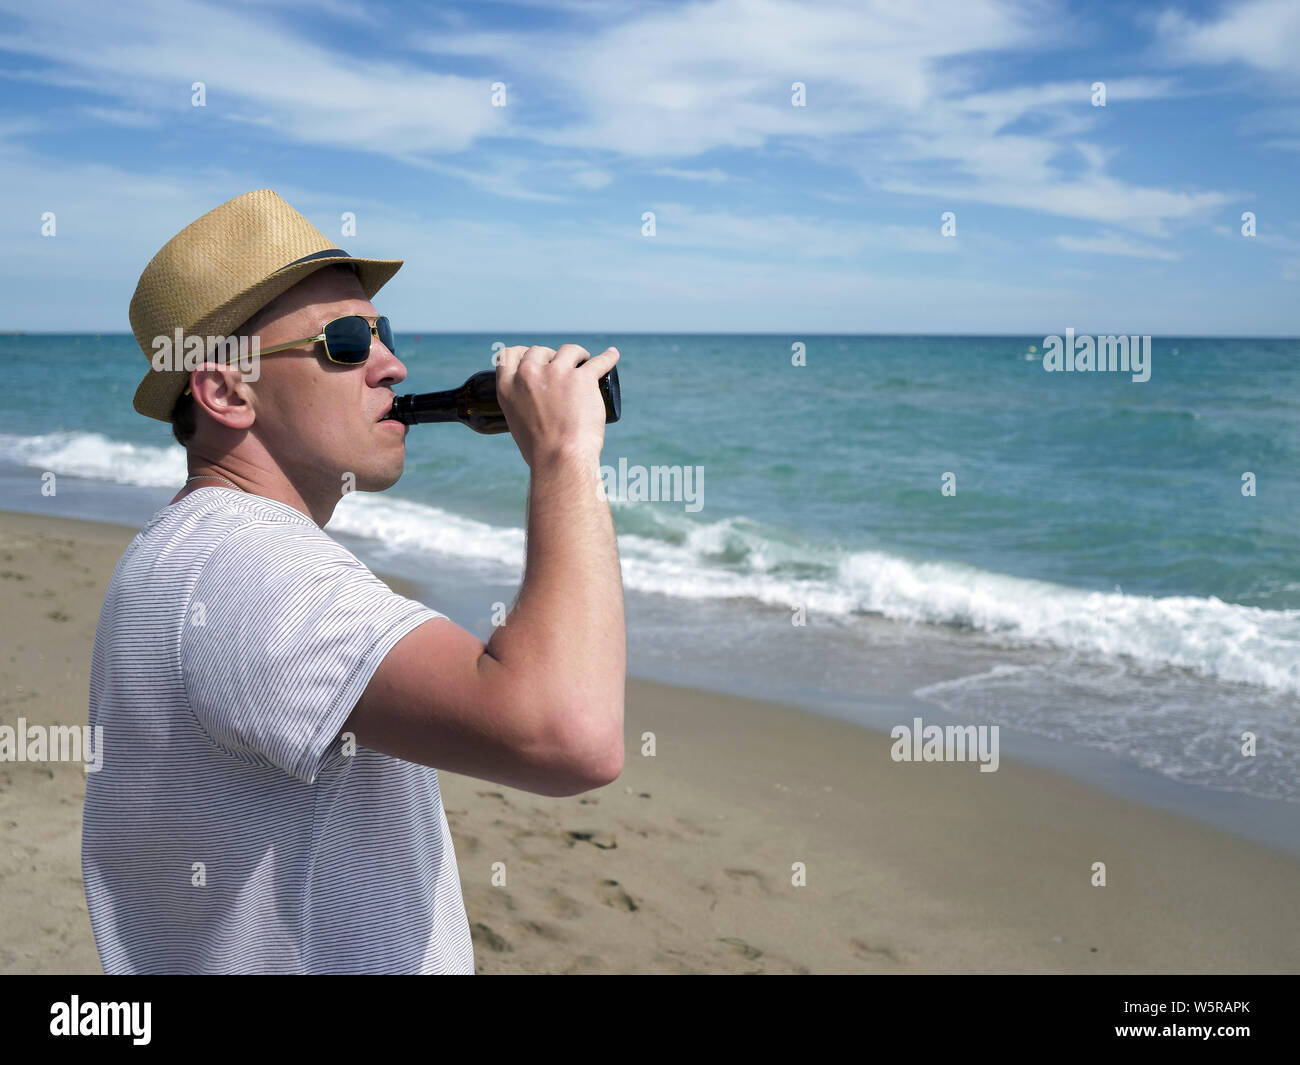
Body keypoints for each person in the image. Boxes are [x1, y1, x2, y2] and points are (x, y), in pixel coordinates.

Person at [81, 189, 626, 974]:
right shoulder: (255, 567)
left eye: (382, 333)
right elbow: (567, 731)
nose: (394, 366)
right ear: (227, 391)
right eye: (343, 342)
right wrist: (566, 458)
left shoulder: (175, 555)